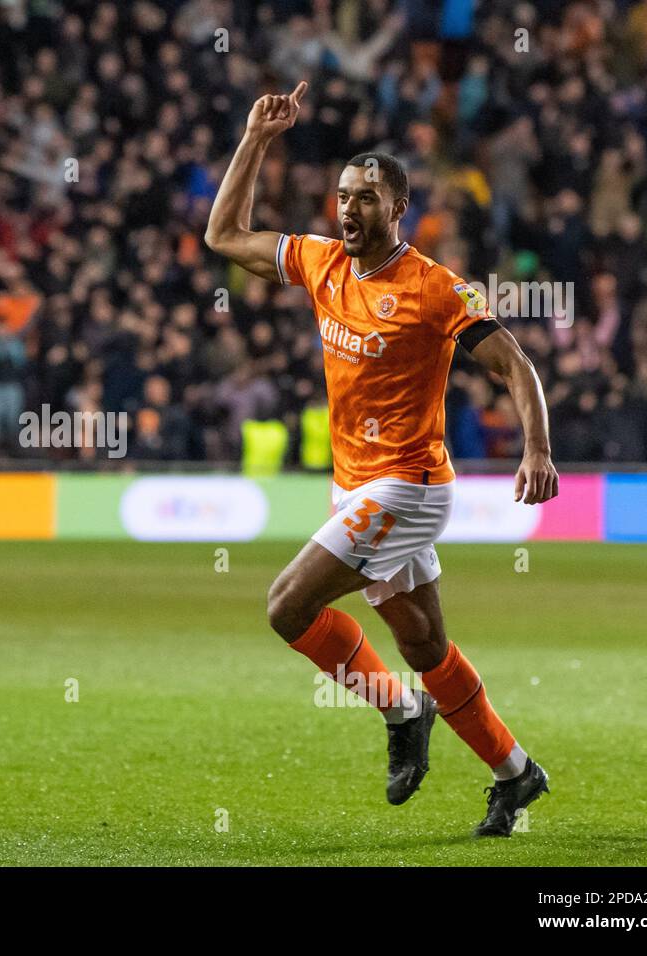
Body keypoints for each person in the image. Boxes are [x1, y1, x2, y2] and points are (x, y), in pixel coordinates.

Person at [205, 85, 559, 837]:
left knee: (287, 606)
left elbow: (514, 361)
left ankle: (402, 712)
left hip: (411, 487)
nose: (348, 208)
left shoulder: (434, 288)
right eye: (341, 195)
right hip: (356, 488)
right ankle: (515, 772)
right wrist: (255, 139)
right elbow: (224, 235)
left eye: (365, 197)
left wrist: (537, 446)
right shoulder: (322, 265)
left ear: (398, 205)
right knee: (425, 643)